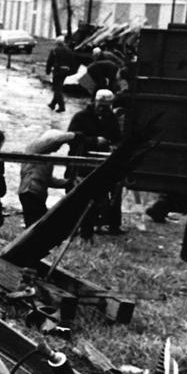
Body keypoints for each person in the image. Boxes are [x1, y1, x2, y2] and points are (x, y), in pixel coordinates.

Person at [66, 89, 124, 237]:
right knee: (75, 195)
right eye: (100, 105)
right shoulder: (81, 117)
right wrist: (93, 141)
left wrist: (114, 146)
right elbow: (71, 137)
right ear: (94, 102)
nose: (103, 109)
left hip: (101, 162)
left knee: (100, 195)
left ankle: (96, 225)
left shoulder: (110, 118)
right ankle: (72, 226)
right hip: (80, 162)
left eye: (107, 106)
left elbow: (117, 137)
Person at [18, 129, 76, 227]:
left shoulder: (47, 159)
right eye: (58, 145)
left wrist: (69, 182)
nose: (58, 147)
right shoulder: (34, 147)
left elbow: (49, 180)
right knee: (36, 225)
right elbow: (55, 139)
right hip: (30, 190)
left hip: (37, 193)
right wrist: (74, 135)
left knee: (38, 224)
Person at [45, 36, 75, 112]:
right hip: (65, 71)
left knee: (57, 89)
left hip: (57, 71)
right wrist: (70, 71)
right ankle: (52, 104)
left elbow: (50, 61)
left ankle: (62, 106)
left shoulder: (55, 50)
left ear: (57, 43)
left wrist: (48, 71)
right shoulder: (69, 50)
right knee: (59, 87)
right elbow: (72, 61)